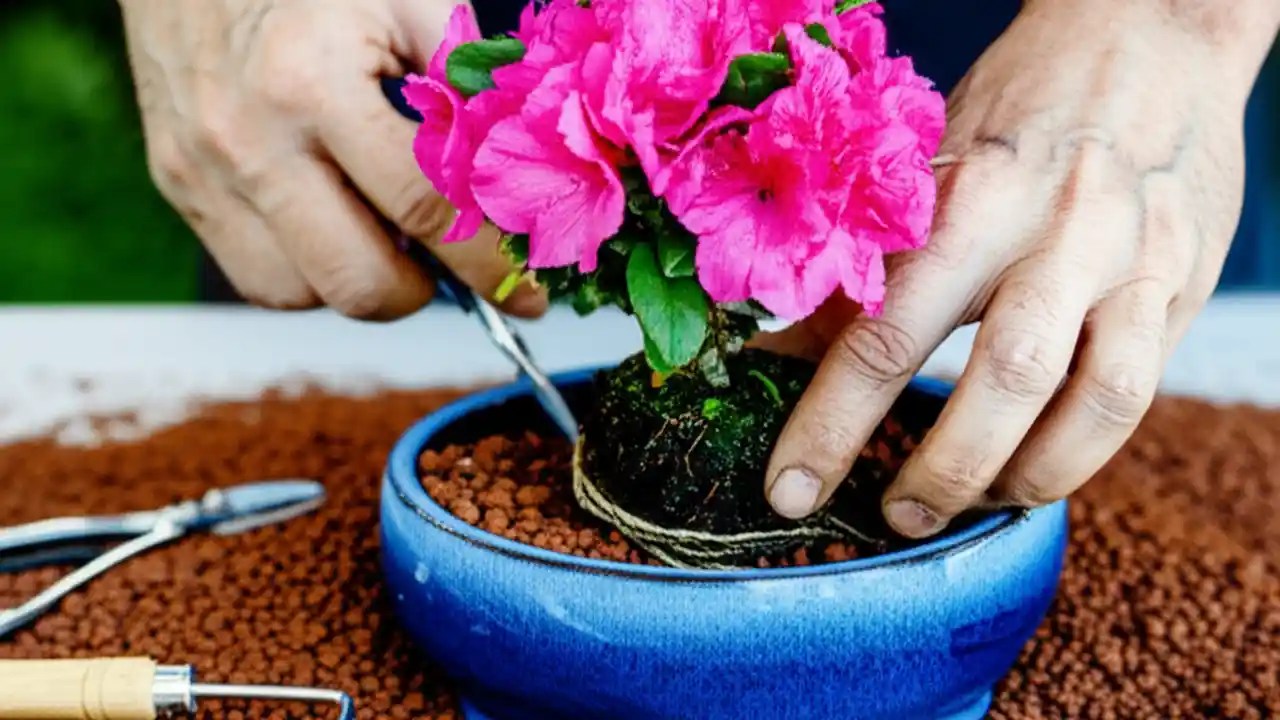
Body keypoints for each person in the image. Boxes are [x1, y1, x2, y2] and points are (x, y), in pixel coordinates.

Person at [119, 0, 1280, 539]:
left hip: (1070, 83)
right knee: (327, 274)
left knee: (1065, 346)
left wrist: (1182, 22)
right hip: (410, 54)